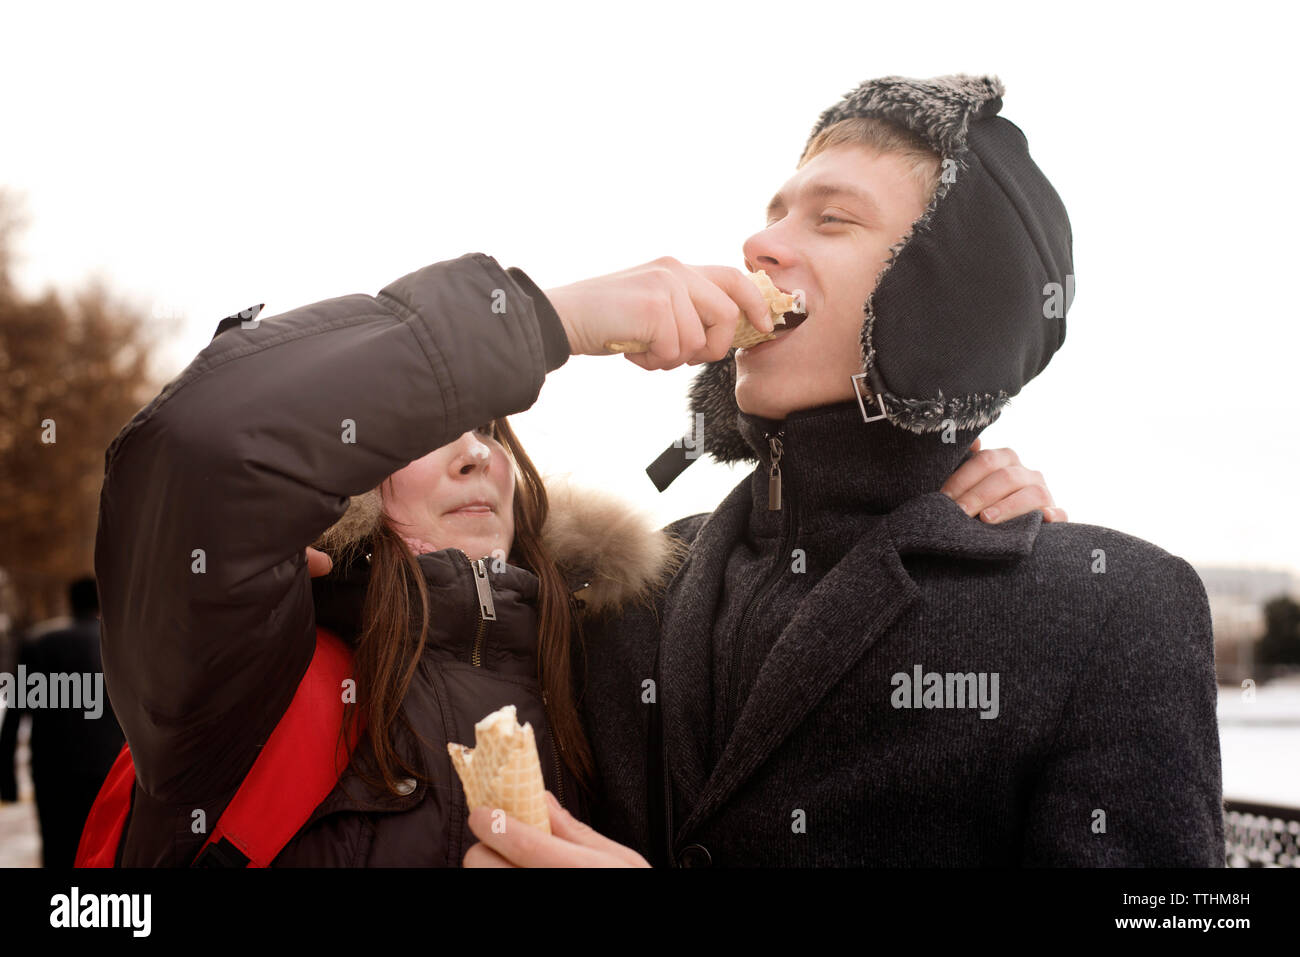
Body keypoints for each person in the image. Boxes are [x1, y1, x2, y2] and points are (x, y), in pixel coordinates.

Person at [460, 74, 1225, 867]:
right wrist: (548, 319)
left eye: (833, 219)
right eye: (774, 215)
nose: (759, 244)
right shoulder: (615, 594)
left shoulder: (1114, 609)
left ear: (948, 300)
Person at [94, 238, 1058, 864]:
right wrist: (555, 320)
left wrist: (945, 526)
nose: (479, 450)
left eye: (494, 434)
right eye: (433, 437)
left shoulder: (618, 654)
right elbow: (198, 449)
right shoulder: (254, 666)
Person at [0, 576, 124, 867]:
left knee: (57, 847)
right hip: (105, 768)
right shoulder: (116, 644)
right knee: (103, 847)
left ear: (71, 602)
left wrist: (7, 781)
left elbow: (15, 714)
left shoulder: (39, 646)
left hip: (52, 771)